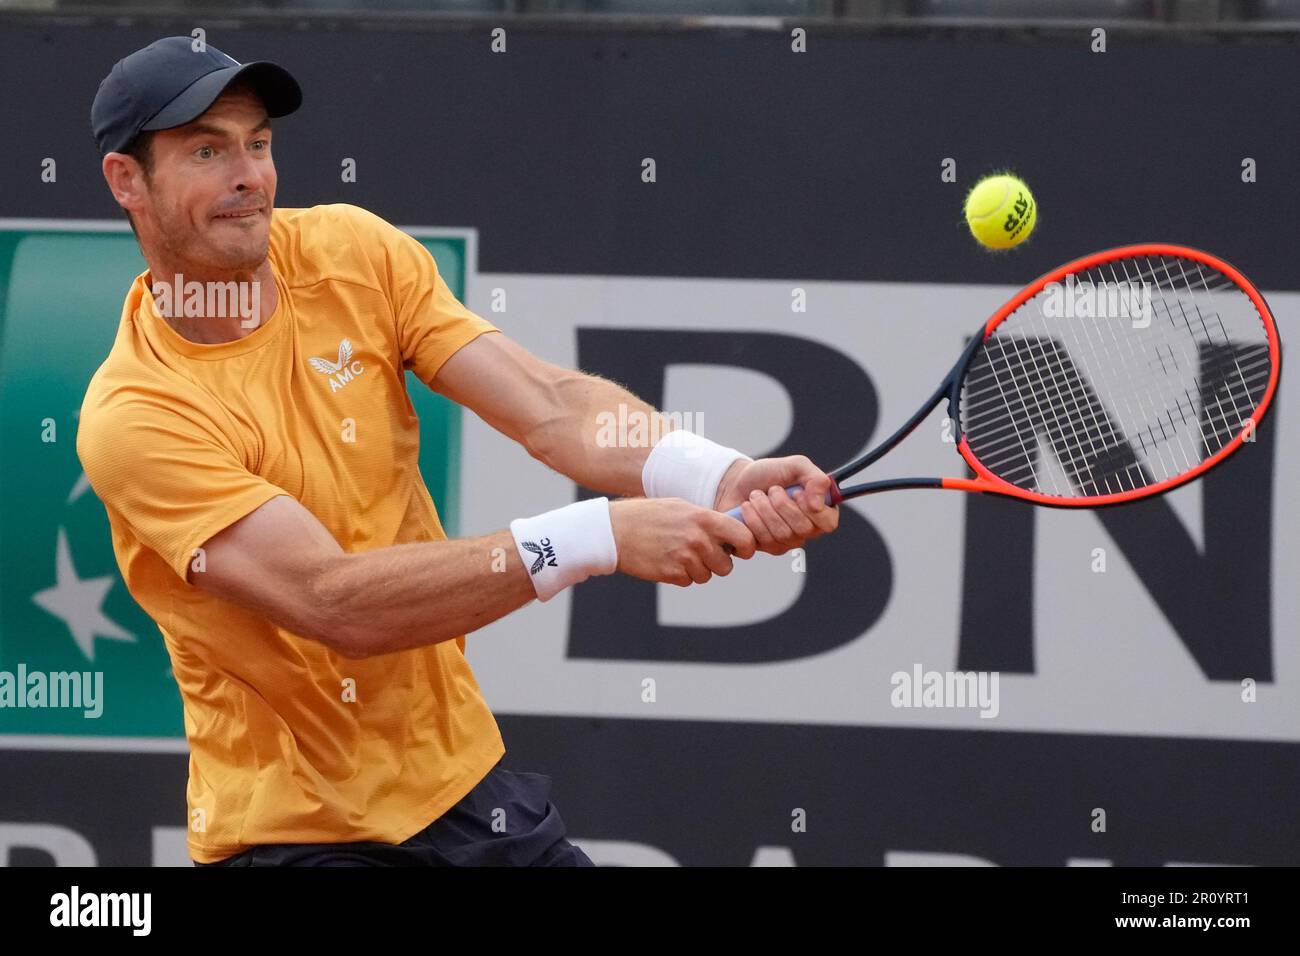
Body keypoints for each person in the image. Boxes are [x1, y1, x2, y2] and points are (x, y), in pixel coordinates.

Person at [79, 36, 839, 867]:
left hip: (467, 786)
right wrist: (602, 537)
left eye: (258, 144)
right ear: (128, 182)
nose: (249, 176)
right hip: (295, 833)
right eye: (206, 150)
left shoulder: (348, 250)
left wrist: (717, 472)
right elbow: (335, 604)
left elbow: (550, 407)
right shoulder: (136, 416)